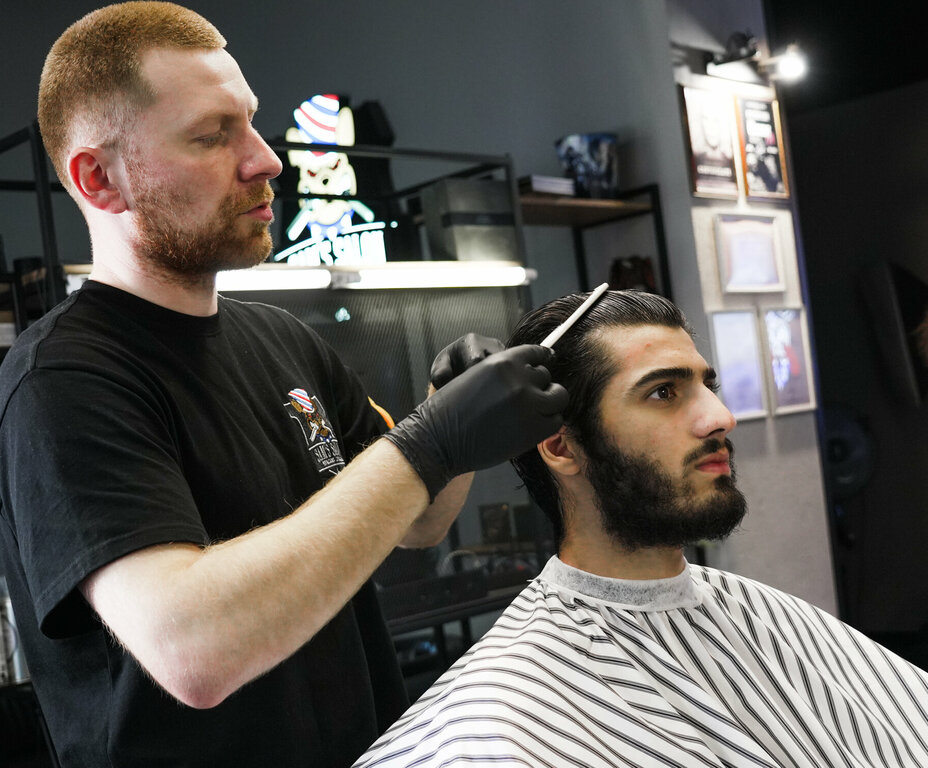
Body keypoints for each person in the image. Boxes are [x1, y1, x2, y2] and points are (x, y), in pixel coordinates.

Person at [0, 4, 567, 767]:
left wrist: (449, 411)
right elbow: (194, 651)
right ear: (101, 180)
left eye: (252, 124)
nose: (266, 160)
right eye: (211, 135)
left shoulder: (283, 339)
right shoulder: (64, 382)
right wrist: (432, 443)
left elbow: (416, 520)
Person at [354, 290, 928, 768]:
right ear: (561, 447)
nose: (721, 418)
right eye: (663, 392)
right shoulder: (490, 728)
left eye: (707, 387)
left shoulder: (763, 617)